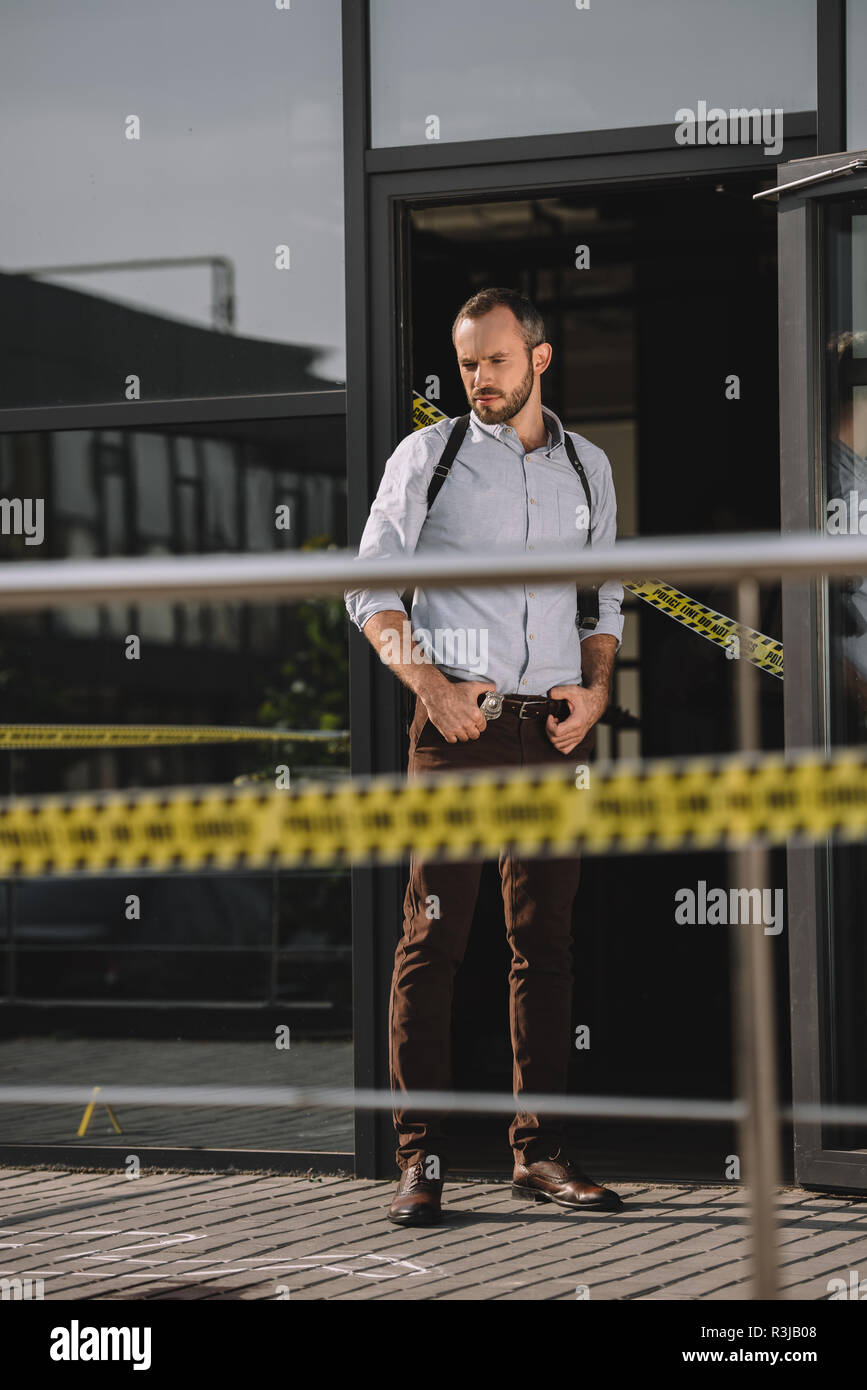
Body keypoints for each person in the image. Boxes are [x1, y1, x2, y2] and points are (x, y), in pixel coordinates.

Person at [345, 287, 625, 1224]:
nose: (478, 380)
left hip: (547, 734)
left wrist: (594, 691)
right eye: (467, 364)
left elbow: (603, 600)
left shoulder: (589, 467)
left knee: (542, 943)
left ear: (538, 360)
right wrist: (427, 686)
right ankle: (419, 1159)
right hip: (454, 729)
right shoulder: (429, 456)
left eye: (495, 362)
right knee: (432, 939)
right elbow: (370, 594)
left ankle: (538, 1153)